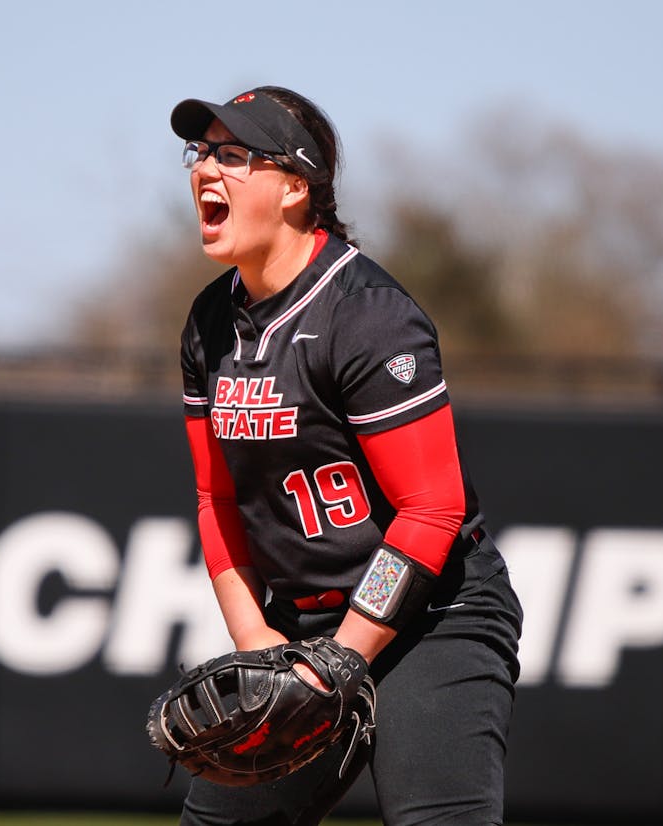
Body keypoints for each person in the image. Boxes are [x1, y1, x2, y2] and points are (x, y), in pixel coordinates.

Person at [171, 85, 523, 826]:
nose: (206, 168)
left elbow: (434, 508)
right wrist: (258, 641)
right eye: (199, 152)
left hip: (434, 616)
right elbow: (216, 500)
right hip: (301, 625)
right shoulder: (208, 322)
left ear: (297, 186)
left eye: (232, 155)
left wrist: (345, 656)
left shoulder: (366, 315)